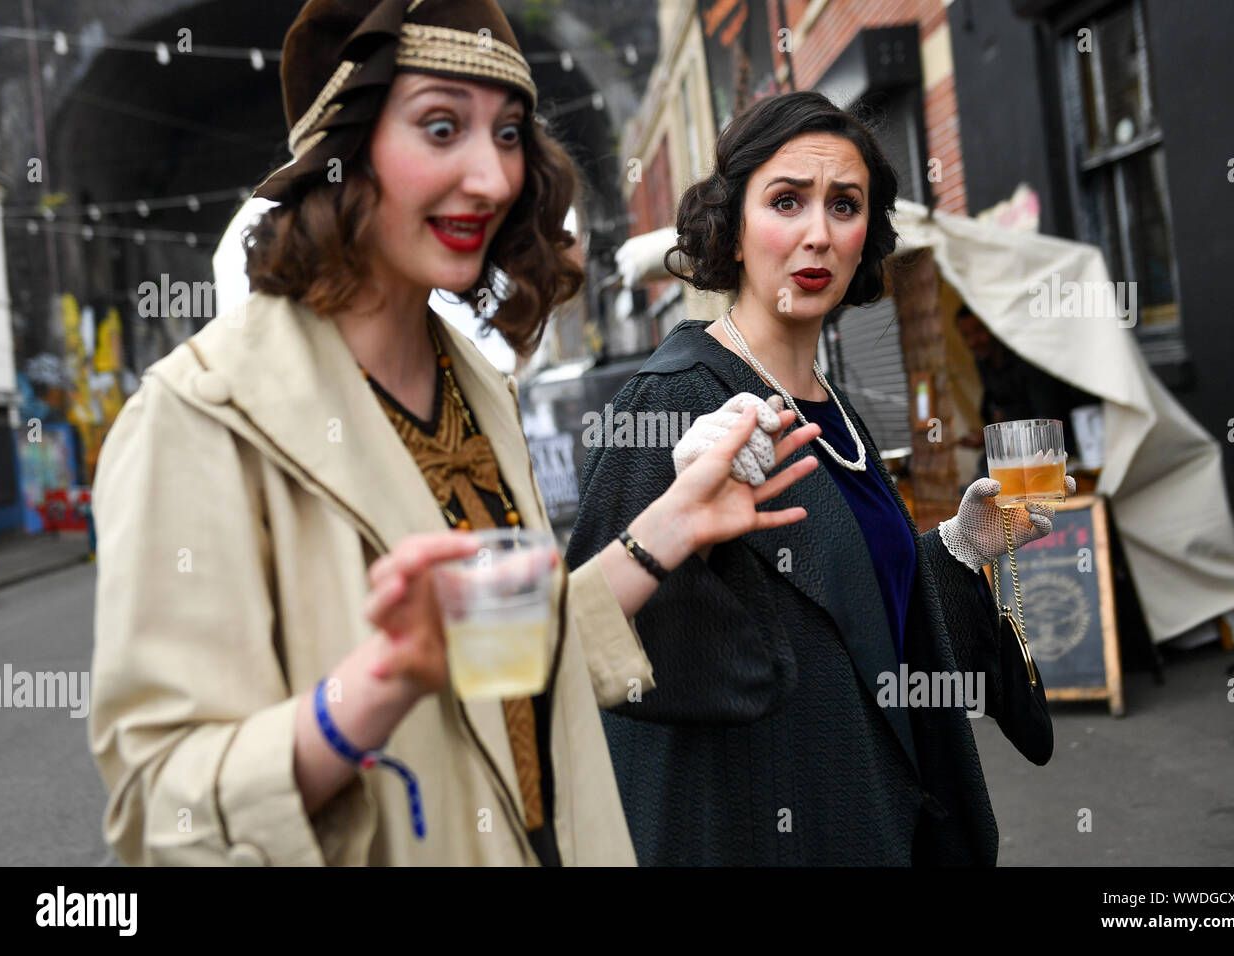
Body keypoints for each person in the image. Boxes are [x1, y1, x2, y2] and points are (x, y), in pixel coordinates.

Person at [88, 0, 819, 867]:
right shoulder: (199, 417)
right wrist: (379, 686)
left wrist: (674, 525)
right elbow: (160, 806)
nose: (492, 177)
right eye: (441, 127)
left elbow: (507, 672)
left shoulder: (475, 383)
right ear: (342, 151)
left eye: (508, 134)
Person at [565, 91, 1074, 865]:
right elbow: (598, 653)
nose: (817, 235)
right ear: (732, 230)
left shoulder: (836, 409)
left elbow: (846, 617)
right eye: (785, 201)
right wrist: (678, 529)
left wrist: (958, 550)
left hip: (873, 816)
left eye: (844, 205)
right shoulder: (673, 399)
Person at [955, 303, 1093, 472]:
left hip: (1048, 451)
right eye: (966, 335)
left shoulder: (1025, 359)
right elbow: (998, 408)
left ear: (992, 327)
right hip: (1014, 450)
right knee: (982, 475)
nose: (973, 341)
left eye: (978, 331)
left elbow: (1047, 419)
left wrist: (1001, 440)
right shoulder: (983, 363)